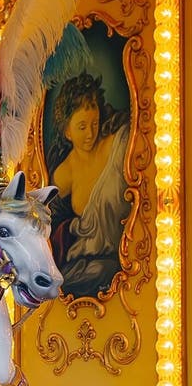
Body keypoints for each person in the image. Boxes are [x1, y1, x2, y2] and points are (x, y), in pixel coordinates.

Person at [47, 71, 130, 298]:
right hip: (88, 261)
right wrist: (73, 227)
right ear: (67, 130)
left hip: (126, 259)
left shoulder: (116, 146)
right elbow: (45, 221)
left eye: (94, 123)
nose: (90, 133)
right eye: (82, 126)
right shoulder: (63, 175)